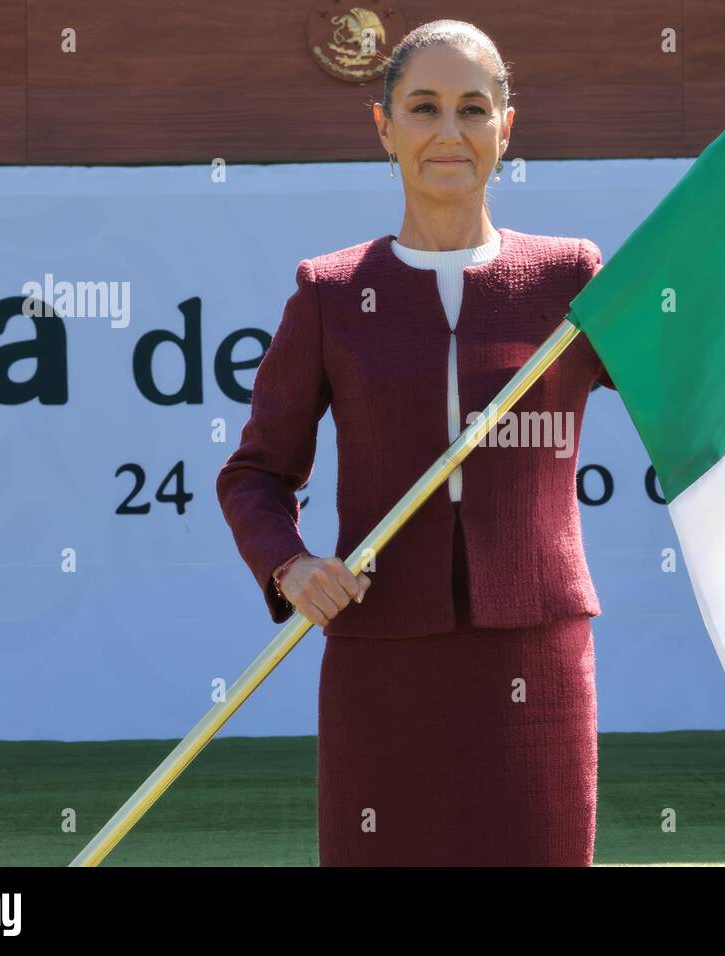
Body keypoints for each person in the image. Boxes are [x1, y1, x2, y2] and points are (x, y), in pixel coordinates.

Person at [216, 18, 616, 866]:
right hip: (380, 655)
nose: (449, 132)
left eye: (474, 109)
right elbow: (256, 472)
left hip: (537, 658)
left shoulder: (571, 278)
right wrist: (290, 565)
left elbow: (694, 382)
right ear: (384, 128)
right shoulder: (330, 293)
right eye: (424, 107)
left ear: (507, 127)